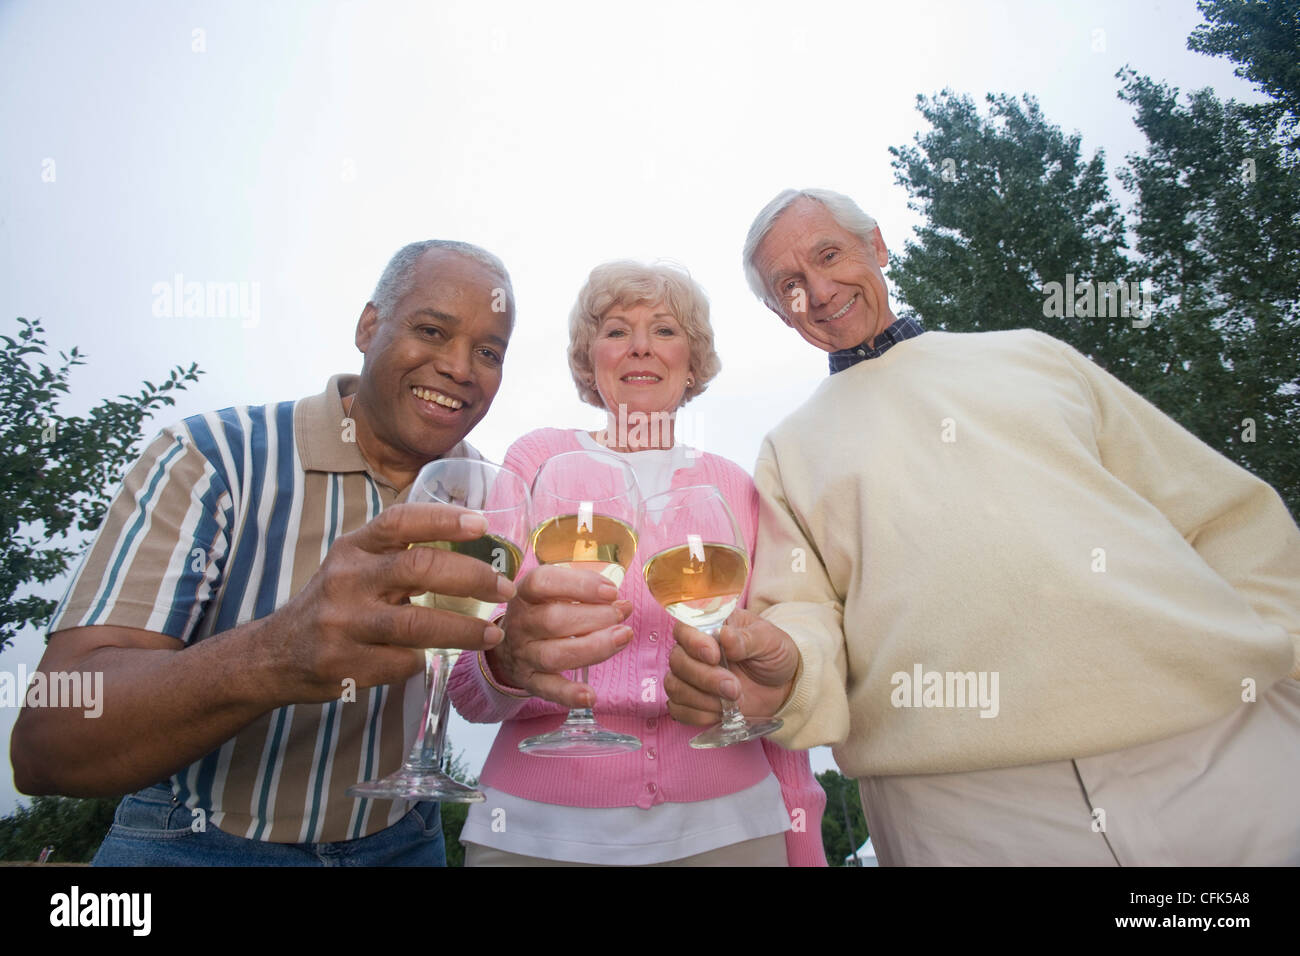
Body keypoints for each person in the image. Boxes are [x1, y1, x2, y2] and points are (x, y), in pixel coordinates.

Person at [665, 187, 1300, 865]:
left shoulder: (1033, 355)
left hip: (1222, 748)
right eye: (789, 285)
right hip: (963, 811)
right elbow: (800, 610)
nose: (818, 291)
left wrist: (1284, 652)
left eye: (830, 255)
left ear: (876, 246)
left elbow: (1220, 513)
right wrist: (790, 674)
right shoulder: (787, 451)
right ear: (776, 311)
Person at [10, 240, 522, 866]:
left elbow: (472, 683)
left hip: (405, 840)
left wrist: (516, 661)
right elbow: (46, 747)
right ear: (368, 327)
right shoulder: (211, 457)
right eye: (431, 330)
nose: (460, 367)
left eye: (488, 352)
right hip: (196, 842)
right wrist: (274, 655)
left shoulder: (493, 501)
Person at [448, 260, 827, 866]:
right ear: (588, 357)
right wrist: (503, 659)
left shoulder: (736, 487)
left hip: (732, 828)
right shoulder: (537, 461)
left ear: (693, 359)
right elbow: (465, 684)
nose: (642, 348)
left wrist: (804, 849)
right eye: (618, 330)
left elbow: (768, 687)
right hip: (533, 830)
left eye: (666, 330)